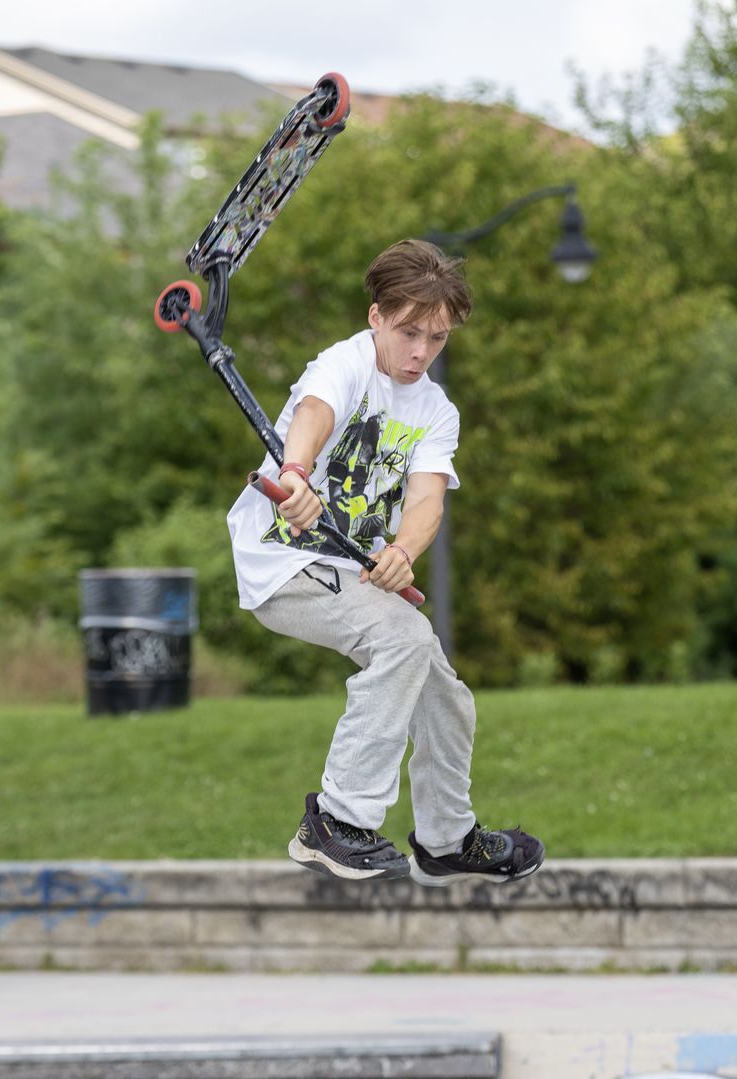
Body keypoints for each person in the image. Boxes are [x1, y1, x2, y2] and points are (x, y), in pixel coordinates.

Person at [227, 239, 545, 886]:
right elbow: (313, 415)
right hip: (282, 557)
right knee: (402, 636)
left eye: (437, 337)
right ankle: (337, 819)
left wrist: (403, 551)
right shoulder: (343, 365)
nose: (421, 352)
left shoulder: (435, 410)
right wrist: (294, 474)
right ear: (377, 318)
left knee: (444, 692)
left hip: (345, 567)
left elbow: (427, 499)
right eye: (408, 332)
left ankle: (447, 837)